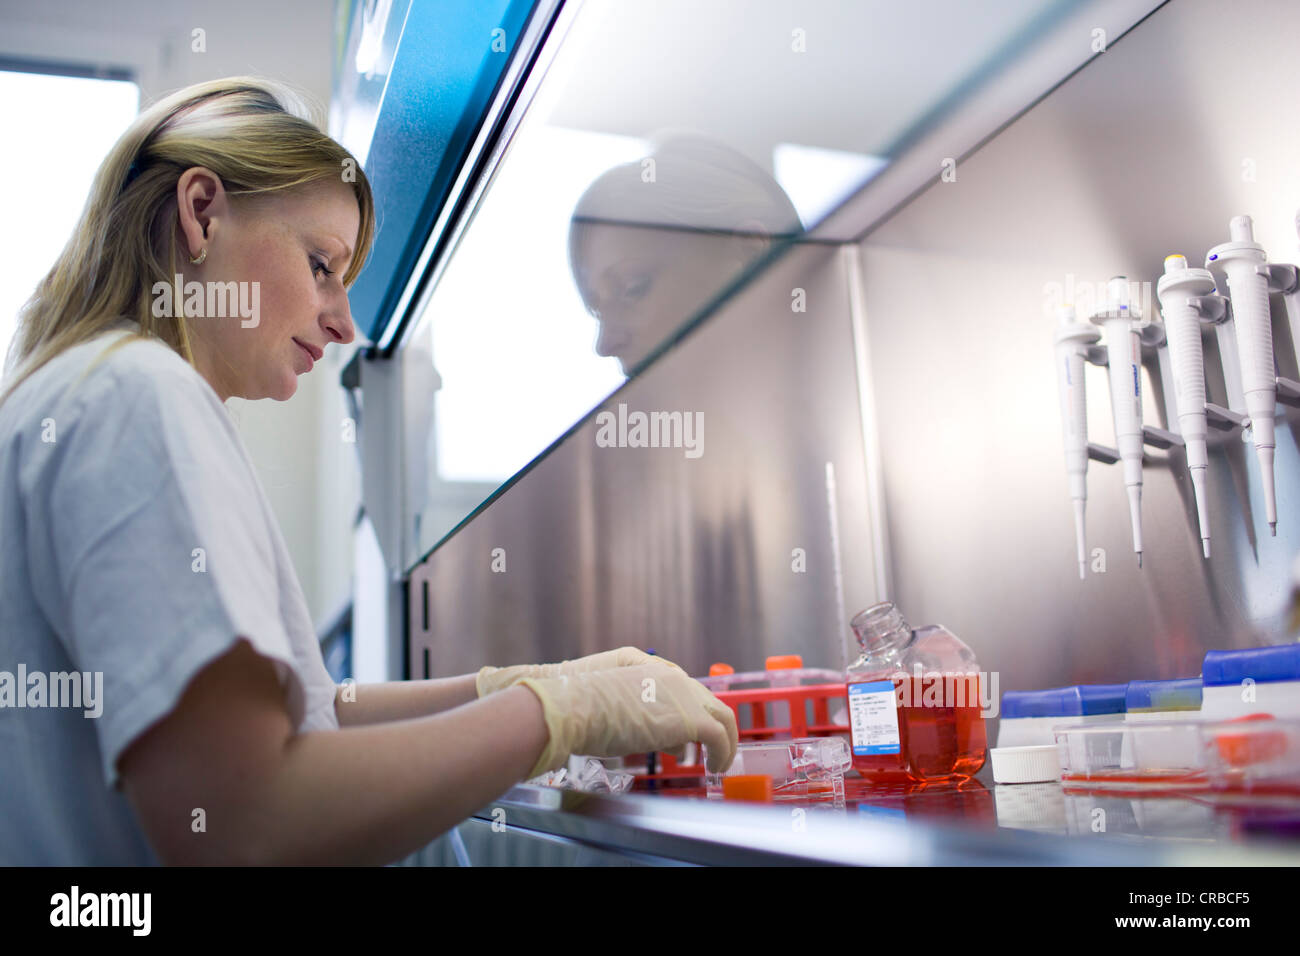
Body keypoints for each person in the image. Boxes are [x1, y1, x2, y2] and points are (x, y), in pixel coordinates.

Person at [0, 76, 736, 866]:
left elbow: (304, 718)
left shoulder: (88, 390)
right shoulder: (136, 397)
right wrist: (553, 713)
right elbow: (246, 817)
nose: (346, 322)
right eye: (322, 264)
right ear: (201, 211)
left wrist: (507, 688)